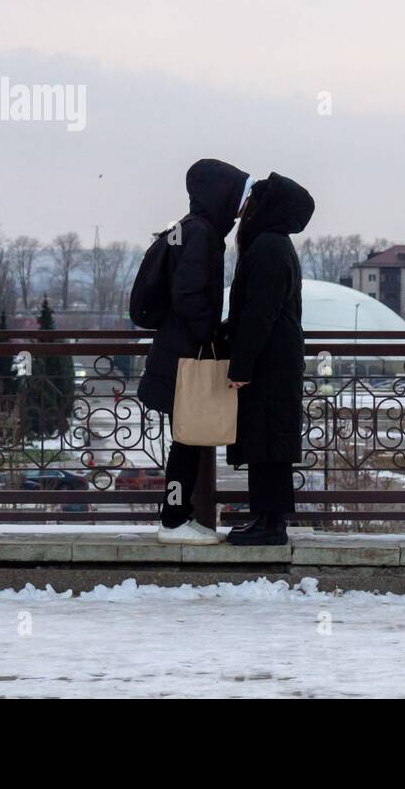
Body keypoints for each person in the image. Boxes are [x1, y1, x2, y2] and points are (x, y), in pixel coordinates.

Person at [136, 157, 251, 545]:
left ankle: (178, 516)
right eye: (235, 195)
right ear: (219, 195)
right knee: (186, 440)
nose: (239, 205)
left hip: (174, 348)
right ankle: (173, 521)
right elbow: (188, 294)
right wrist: (211, 335)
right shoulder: (201, 234)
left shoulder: (185, 229)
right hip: (187, 354)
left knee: (186, 438)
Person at [223, 172, 315, 545]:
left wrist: (241, 365)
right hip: (275, 359)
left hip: (269, 363)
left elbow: (260, 313)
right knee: (267, 442)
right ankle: (266, 518)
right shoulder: (273, 245)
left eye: (253, 202)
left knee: (268, 442)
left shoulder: (267, 247)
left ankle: (271, 524)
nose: (245, 209)